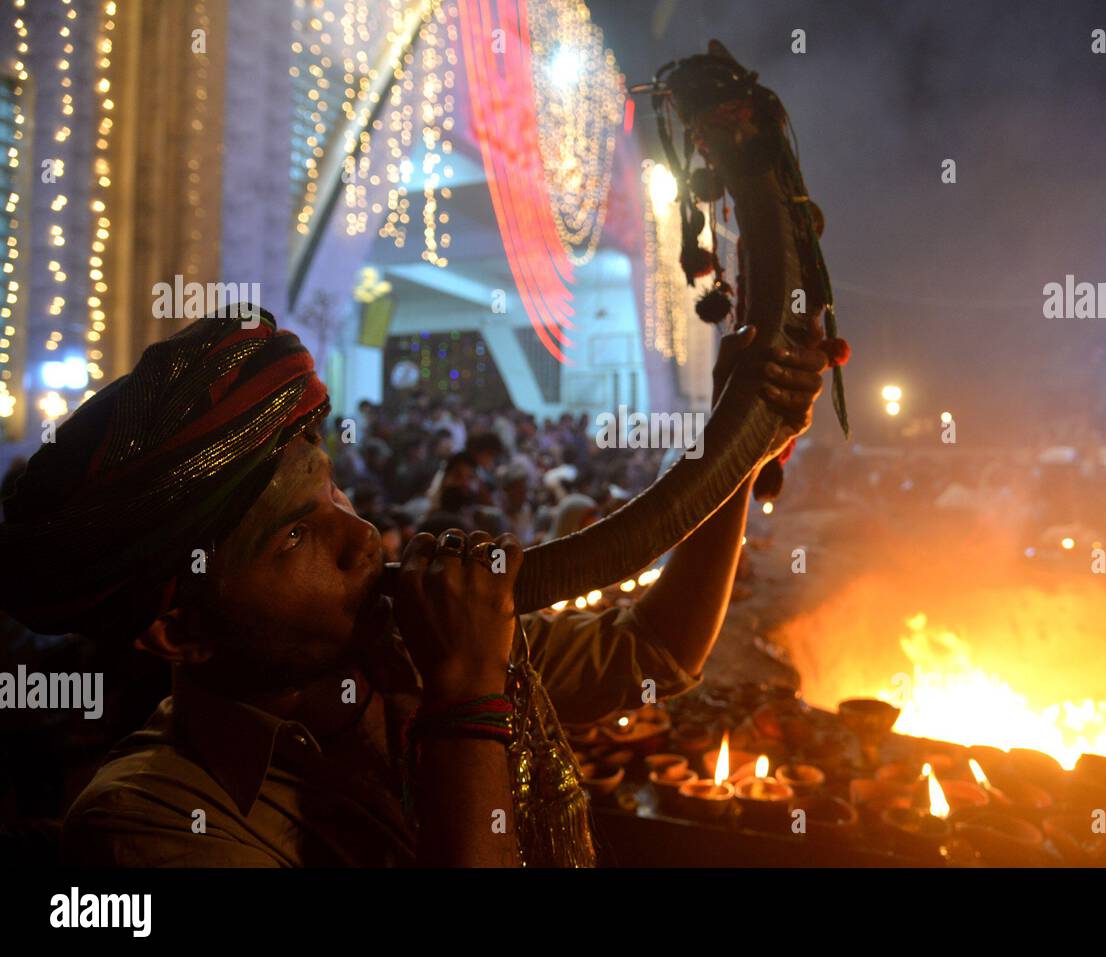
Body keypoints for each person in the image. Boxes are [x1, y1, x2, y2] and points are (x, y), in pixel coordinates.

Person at [0, 310, 835, 867]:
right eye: (294, 533)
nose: (361, 534)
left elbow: (653, 652)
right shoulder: (148, 822)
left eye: (331, 493)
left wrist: (743, 446)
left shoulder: (408, 641)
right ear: (180, 631)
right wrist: (467, 702)